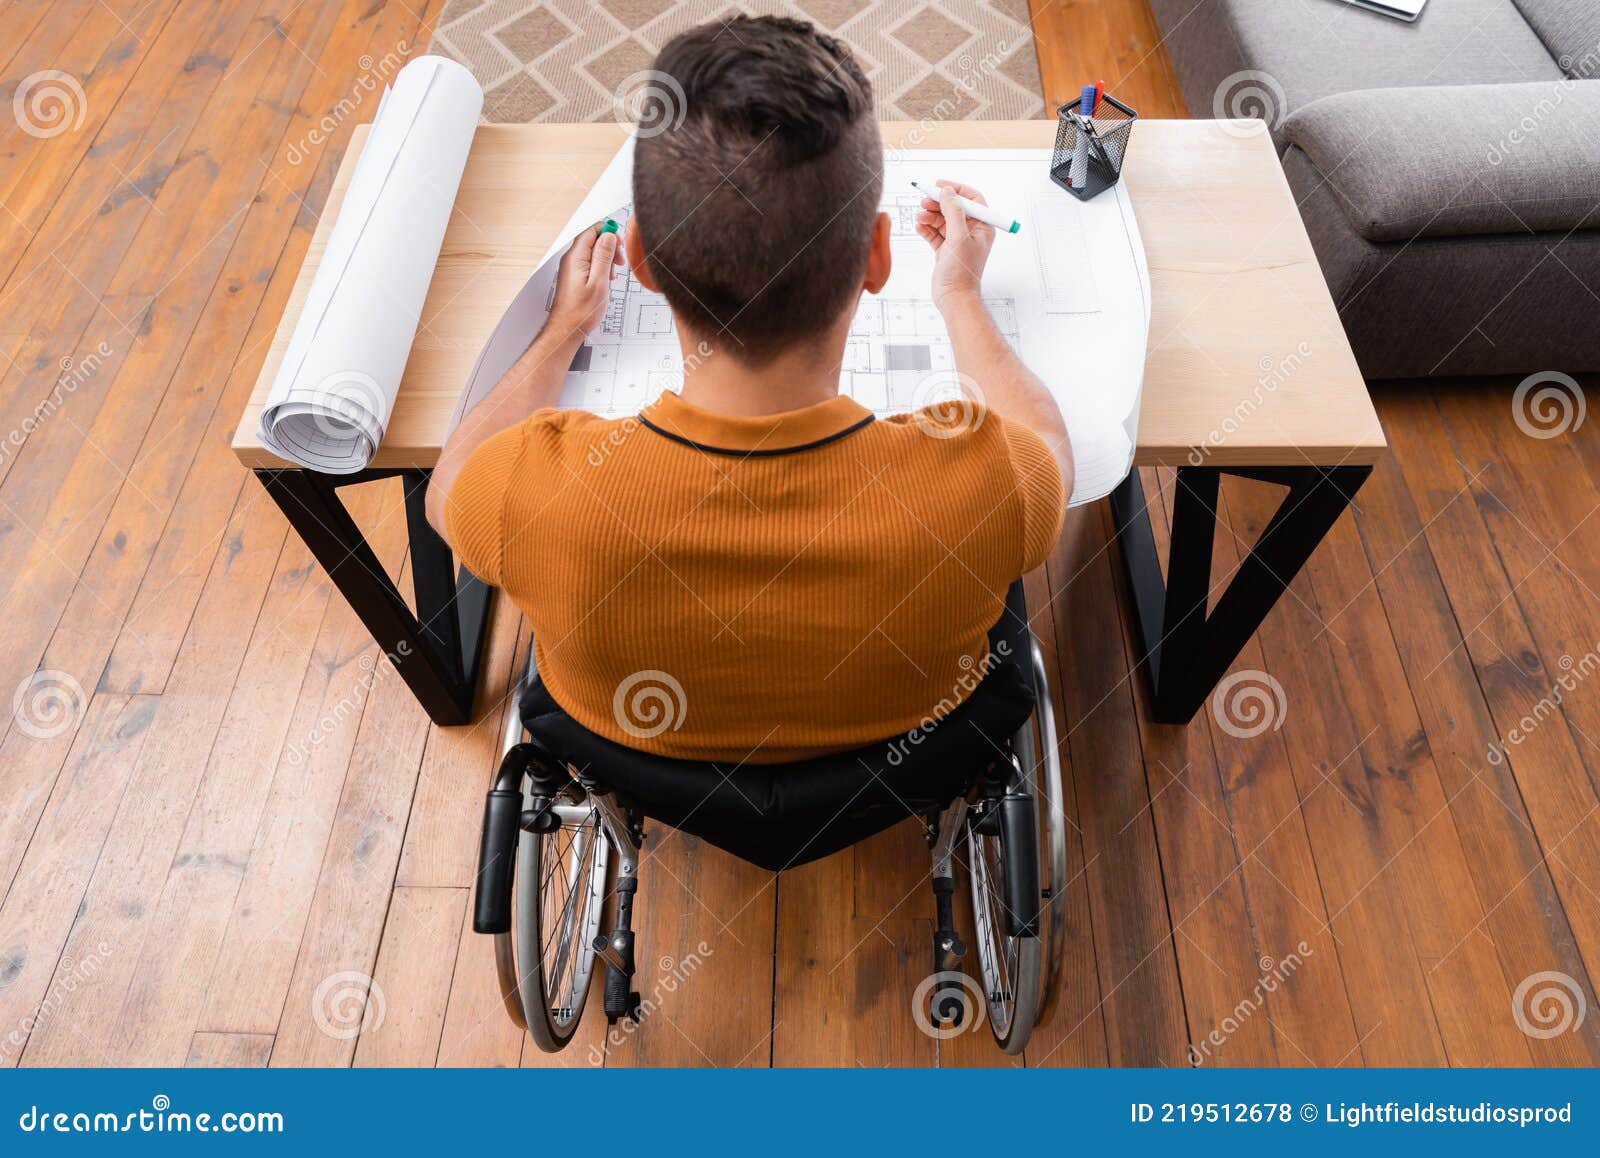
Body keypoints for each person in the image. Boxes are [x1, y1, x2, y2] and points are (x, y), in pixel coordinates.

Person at [426, 15, 1071, 765]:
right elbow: (1052, 448)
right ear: (877, 257)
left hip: (643, 758)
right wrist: (960, 292)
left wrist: (564, 326)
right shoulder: (986, 483)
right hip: (901, 755)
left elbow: (447, 489)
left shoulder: (528, 494)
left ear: (639, 259)